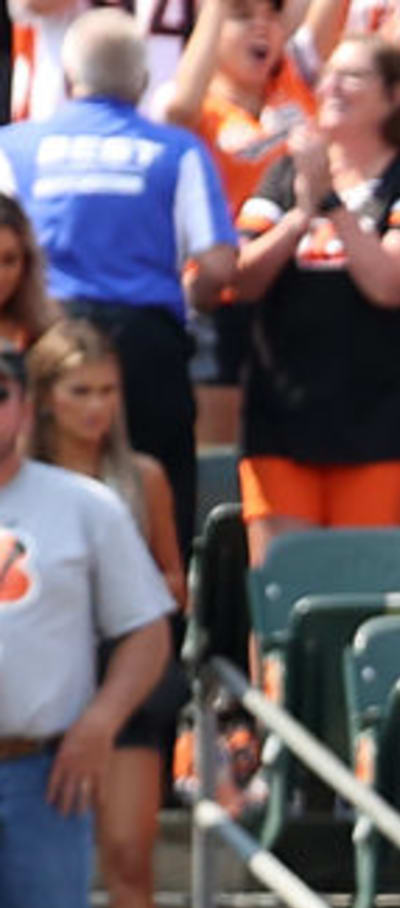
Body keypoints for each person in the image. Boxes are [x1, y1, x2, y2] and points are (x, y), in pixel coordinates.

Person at [209, 32, 400, 546]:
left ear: (395, 96)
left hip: (380, 424)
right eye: (329, 75)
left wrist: (332, 206)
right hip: (281, 423)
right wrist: (301, 214)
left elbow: (392, 283)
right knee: (280, 592)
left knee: (359, 588)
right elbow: (242, 280)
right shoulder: (281, 177)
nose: (332, 86)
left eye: (353, 76)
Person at [0, 12, 220, 537]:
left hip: (50, 344)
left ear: (70, 79)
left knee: (38, 511)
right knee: (155, 512)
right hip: (150, 349)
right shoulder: (178, 149)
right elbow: (218, 264)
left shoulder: (15, 146)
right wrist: (187, 300)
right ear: (142, 81)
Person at [0, 322, 167, 908]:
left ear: (22, 404)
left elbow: (147, 629)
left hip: (42, 773)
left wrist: (101, 721)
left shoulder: (83, 505)